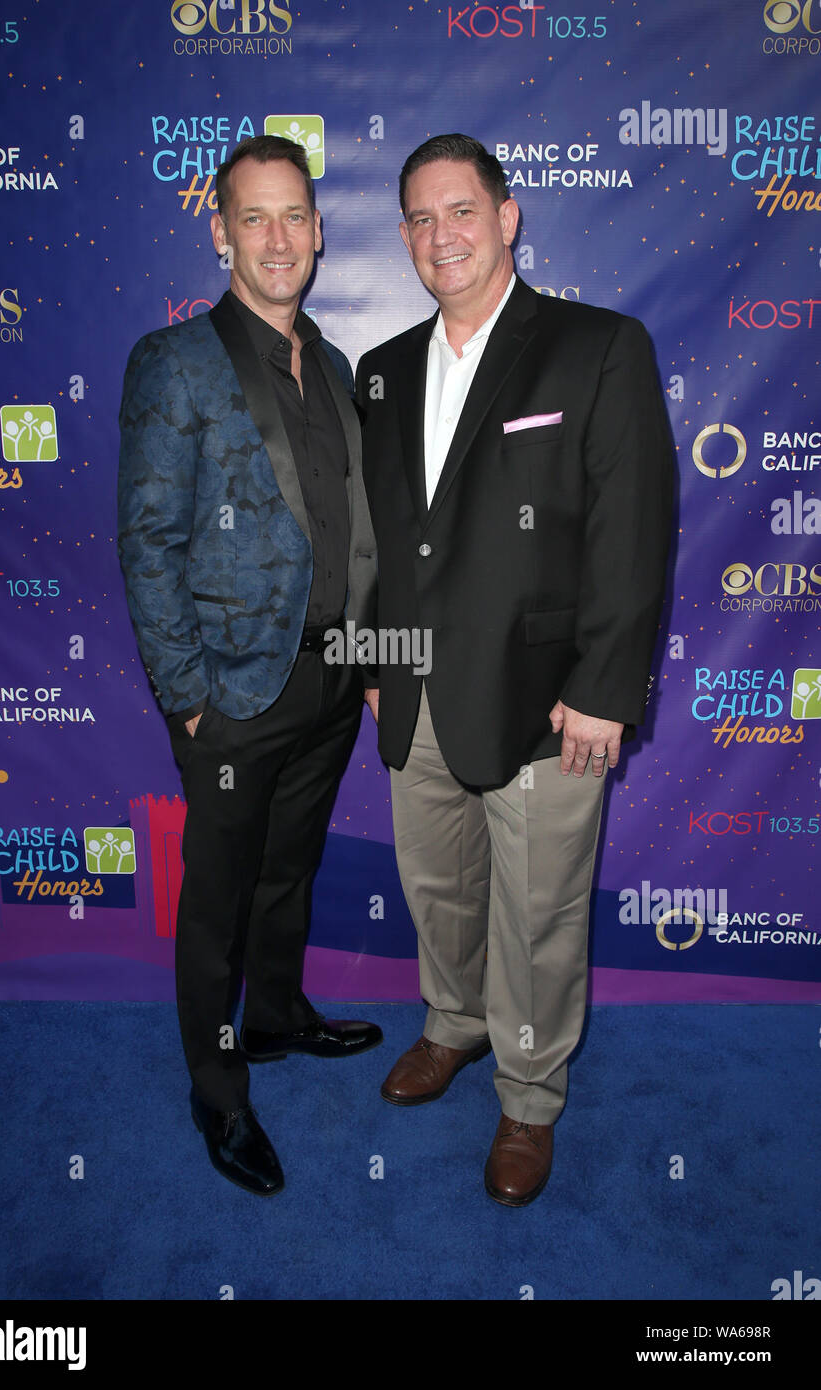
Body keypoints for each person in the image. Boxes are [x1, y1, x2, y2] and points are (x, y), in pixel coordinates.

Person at [356, 134, 673, 1207]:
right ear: (402, 235)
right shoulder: (384, 369)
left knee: (538, 912)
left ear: (507, 215)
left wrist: (604, 688)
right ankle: (453, 1025)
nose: (438, 236)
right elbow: (380, 538)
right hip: (416, 694)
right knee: (438, 889)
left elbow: (632, 534)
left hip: (549, 701)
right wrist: (375, 659)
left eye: (459, 210)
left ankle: (528, 1093)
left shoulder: (595, 347)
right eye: (418, 218)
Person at [118, 135, 381, 1198]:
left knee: (289, 871)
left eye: (295, 217)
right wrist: (187, 698)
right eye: (254, 218)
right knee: (219, 899)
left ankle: (274, 1018)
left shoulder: (333, 360)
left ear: (319, 231)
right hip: (229, 694)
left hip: (326, 684)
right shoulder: (173, 360)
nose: (278, 239)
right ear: (220, 230)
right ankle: (218, 1090)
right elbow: (148, 539)